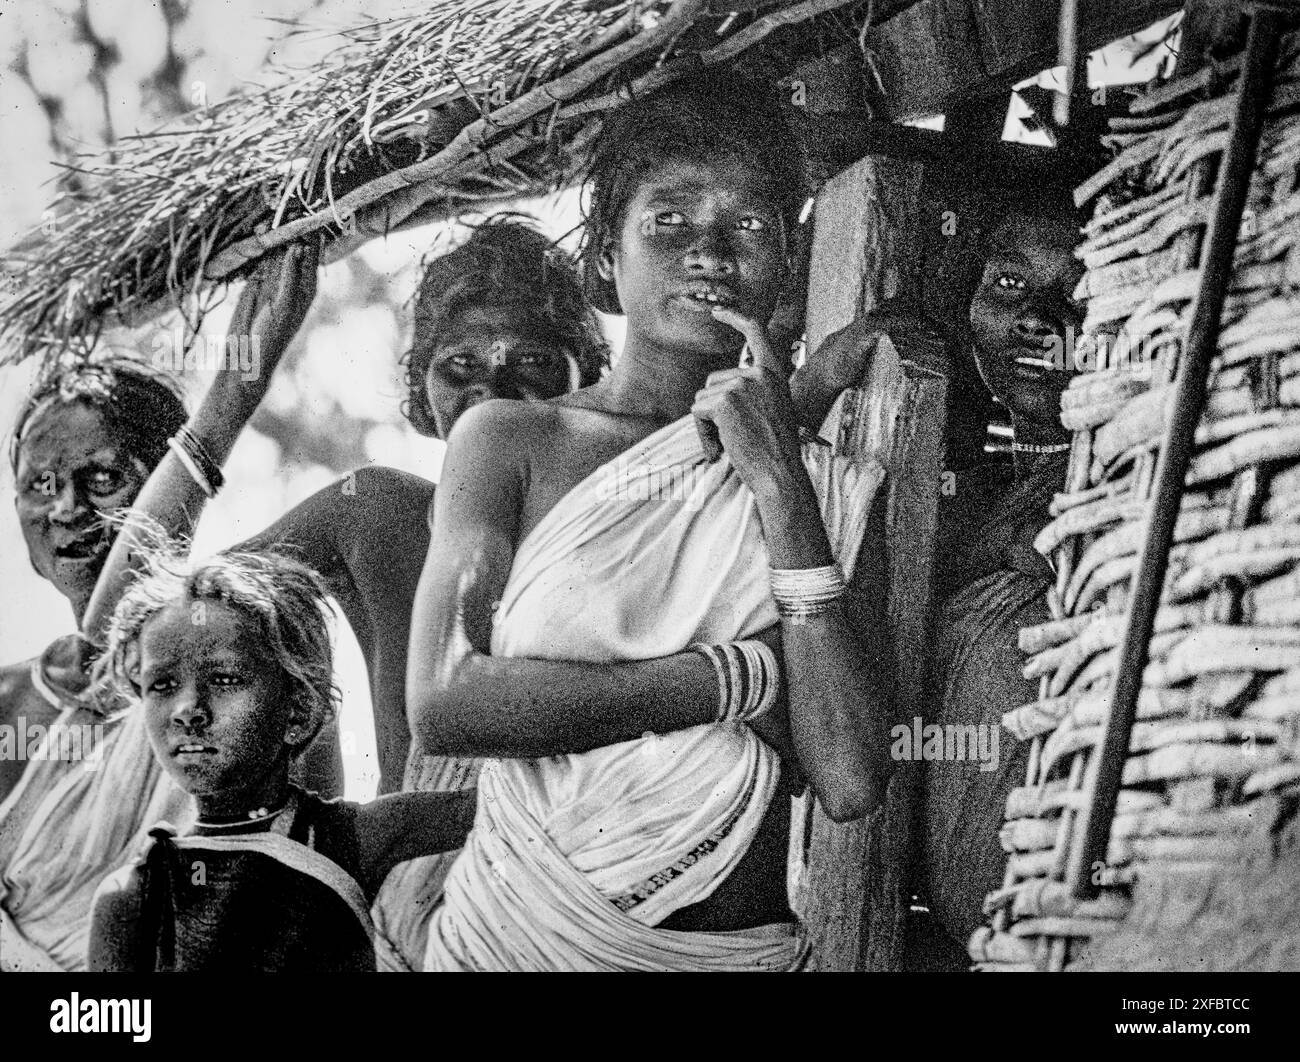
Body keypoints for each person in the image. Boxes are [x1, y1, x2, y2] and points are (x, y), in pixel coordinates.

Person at [404, 73, 893, 971]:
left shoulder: (821, 480)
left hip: (722, 955)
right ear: (605, 260)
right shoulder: (513, 439)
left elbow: (852, 775)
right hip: (516, 941)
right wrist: (734, 681)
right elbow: (447, 702)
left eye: (747, 227)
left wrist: (780, 481)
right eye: (669, 222)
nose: (708, 254)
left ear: (788, 256)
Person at [87, 545, 476, 971]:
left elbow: (505, 803)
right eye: (162, 685)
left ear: (297, 711)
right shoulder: (135, 893)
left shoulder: (345, 840)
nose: (186, 709)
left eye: (224, 679)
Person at [919, 180, 1087, 961]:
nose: (1037, 319)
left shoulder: (1121, 498)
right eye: (1010, 283)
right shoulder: (993, 497)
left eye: (1078, 290)